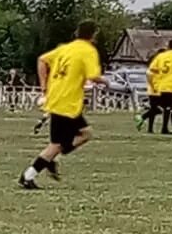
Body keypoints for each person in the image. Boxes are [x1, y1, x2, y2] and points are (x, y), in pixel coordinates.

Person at [18, 21, 107, 190]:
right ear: (94, 35)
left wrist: (44, 87)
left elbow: (42, 60)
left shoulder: (65, 48)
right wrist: (107, 82)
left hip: (62, 100)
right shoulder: (88, 50)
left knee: (86, 133)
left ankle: (51, 160)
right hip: (67, 103)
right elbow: (94, 76)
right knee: (56, 144)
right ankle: (28, 175)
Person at [134, 52, 162, 133]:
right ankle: (142, 117)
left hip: (159, 91)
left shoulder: (158, 69)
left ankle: (149, 128)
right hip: (153, 92)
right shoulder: (150, 71)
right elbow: (150, 81)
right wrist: (155, 88)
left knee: (154, 110)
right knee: (157, 110)